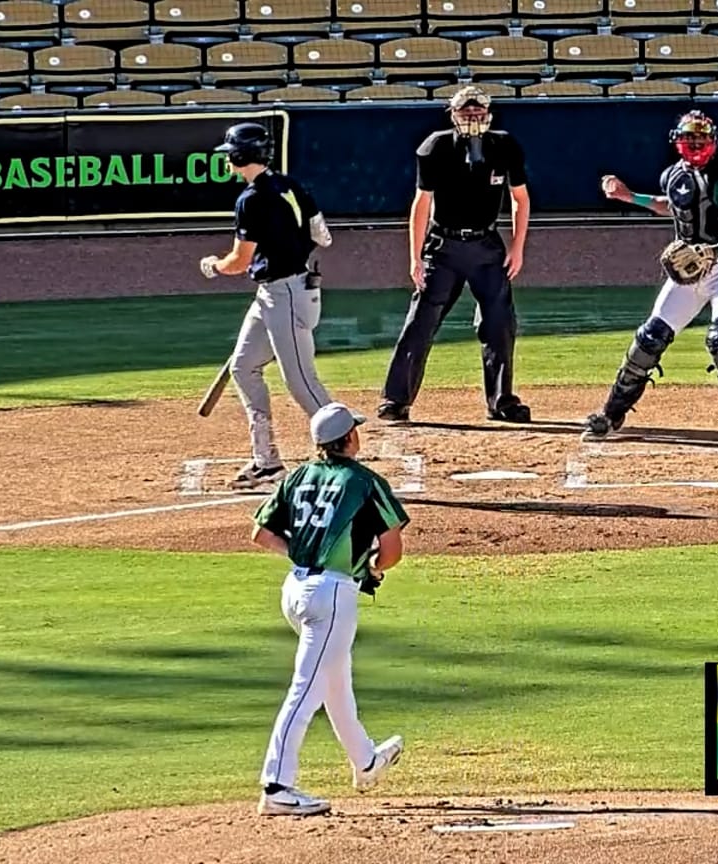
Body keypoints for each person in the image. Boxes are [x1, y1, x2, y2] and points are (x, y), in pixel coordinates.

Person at [251, 401, 410, 817]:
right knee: (306, 691)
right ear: (350, 438)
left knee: (335, 682)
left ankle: (366, 761)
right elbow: (392, 550)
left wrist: (303, 554)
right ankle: (277, 785)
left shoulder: (298, 477)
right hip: (332, 596)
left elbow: (262, 533)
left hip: (296, 589)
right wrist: (371, 569)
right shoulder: (364, 481)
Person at [590, 110, 718, 448]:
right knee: (650, 338)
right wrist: (628, 196)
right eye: (690, 139)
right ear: (678, 142)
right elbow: (668, 205)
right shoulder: (674, 176)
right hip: (689, 269)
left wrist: (717, 251)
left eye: (701, 139)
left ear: (713, 141)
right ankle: (611, 413)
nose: (696, 144)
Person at [377, 85, 533, 426]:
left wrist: (518, 247)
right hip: (444, 247)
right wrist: (415, 257)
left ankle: (501, 401)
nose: (473, 119)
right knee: (421, 322)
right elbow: (422, 204)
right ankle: (395, 399)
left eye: (479, 113)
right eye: (466, 113)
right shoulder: (435, 146)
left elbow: (520, 198)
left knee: (499, 324)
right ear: (453, 115)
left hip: (485, 245)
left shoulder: (503, 145)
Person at [200, 121, 336, 491]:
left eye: (231, 154)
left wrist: (213, 266)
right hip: (279, 291)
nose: (228, 160)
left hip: (287, 294)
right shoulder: (290, 185)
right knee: (244, 367)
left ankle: (342, 454)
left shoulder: (251, 199)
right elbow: (322, 236)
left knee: (301, 382)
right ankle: (267, 462)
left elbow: (239, 262)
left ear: (243, 155)